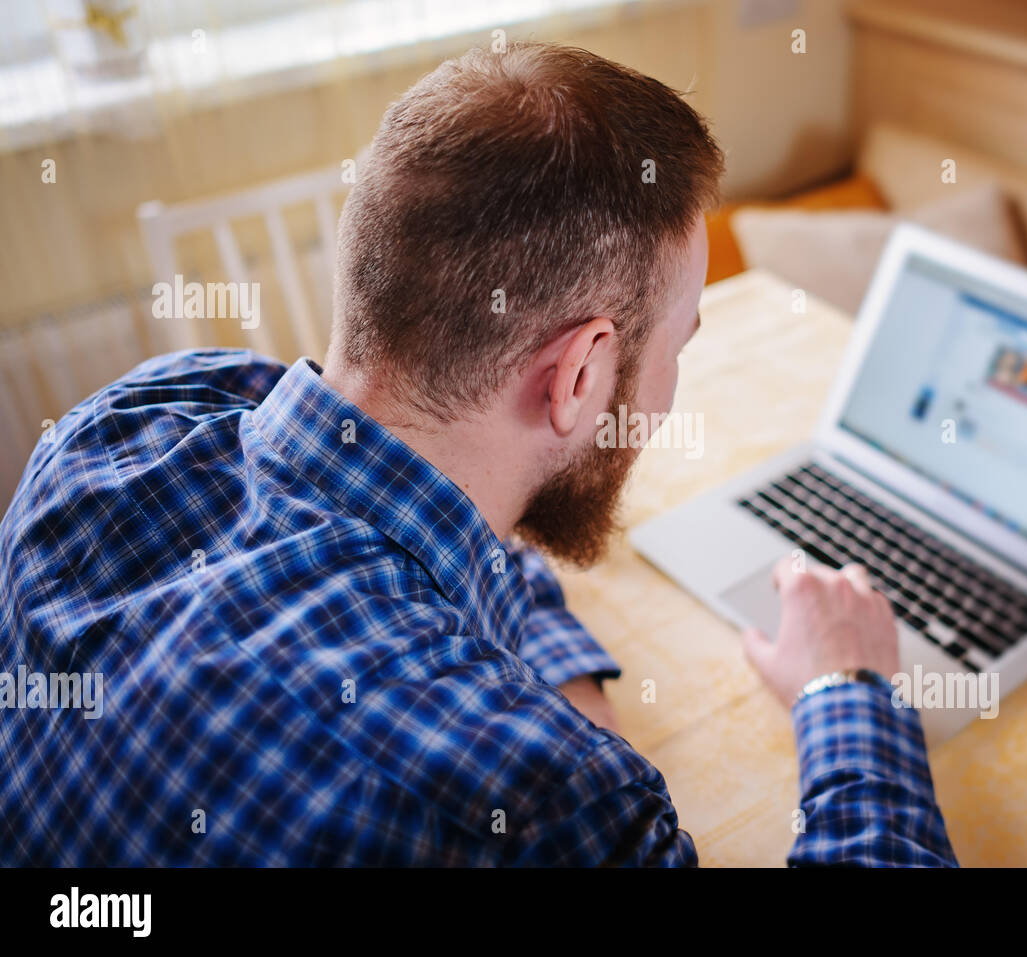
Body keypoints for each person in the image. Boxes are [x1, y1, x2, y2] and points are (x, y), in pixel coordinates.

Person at [0, 41, 956, 867]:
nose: (669, 392)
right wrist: (847, 690)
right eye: (680, 344)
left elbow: (455, 534)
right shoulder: (549, 805)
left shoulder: (122, 425)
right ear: (580, 374)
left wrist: (552, 707)